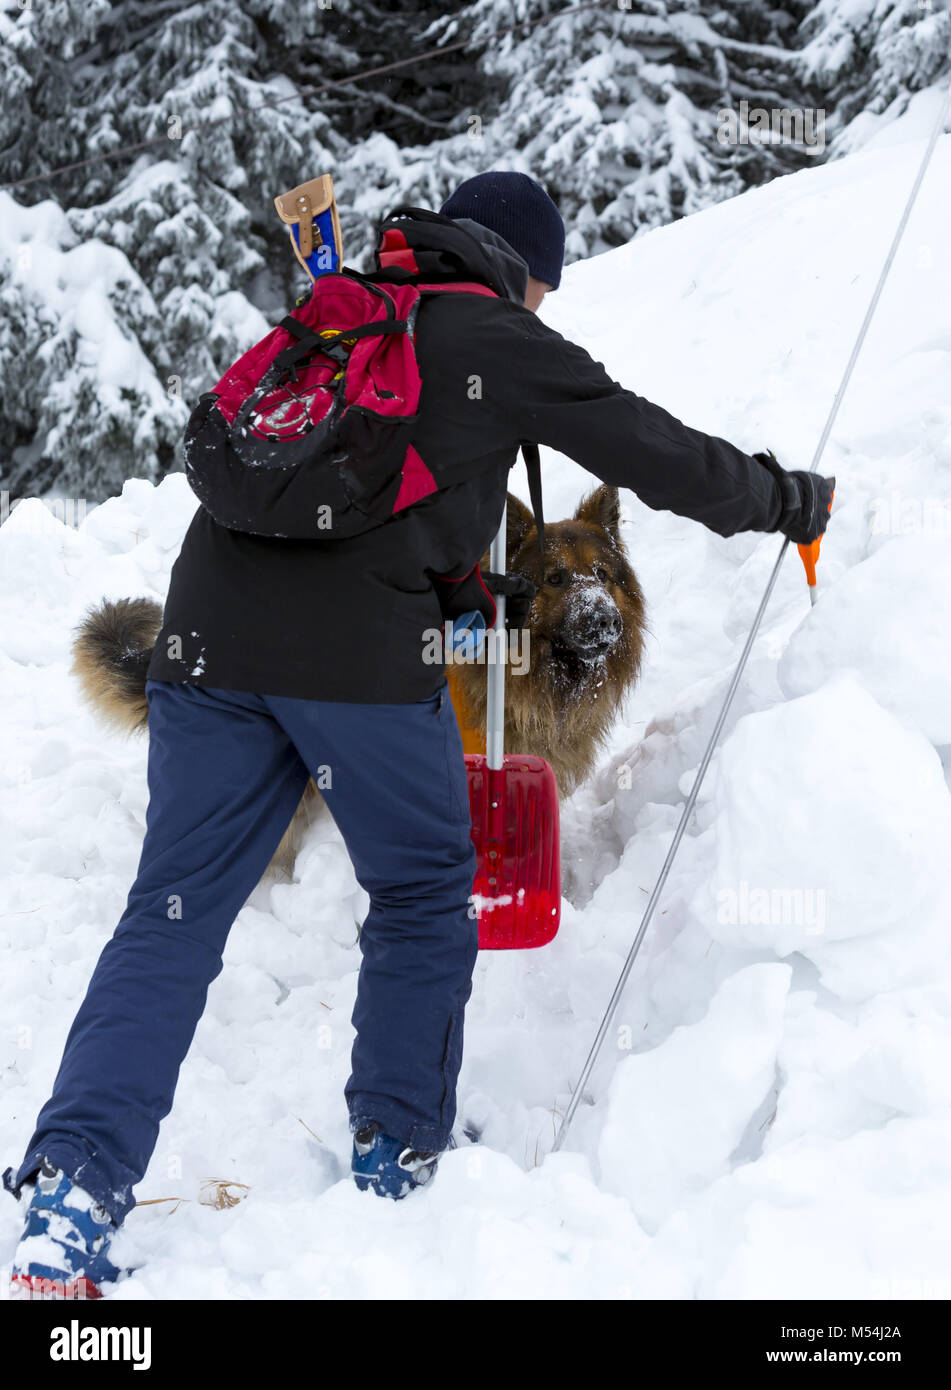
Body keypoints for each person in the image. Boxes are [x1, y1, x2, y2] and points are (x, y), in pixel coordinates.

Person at [3, 170, 834, 1297]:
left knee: (171, 914)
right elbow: (654, 450)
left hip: (206, 639)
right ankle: (397, 1144)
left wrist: (463, 596)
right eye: (544, 291)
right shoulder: (495, 335)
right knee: (426, 885)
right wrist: (783, 499)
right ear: (521, 270)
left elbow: (371, 497)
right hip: (354, 663)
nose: (540, 310)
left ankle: (68, 1193)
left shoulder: (342, 309)